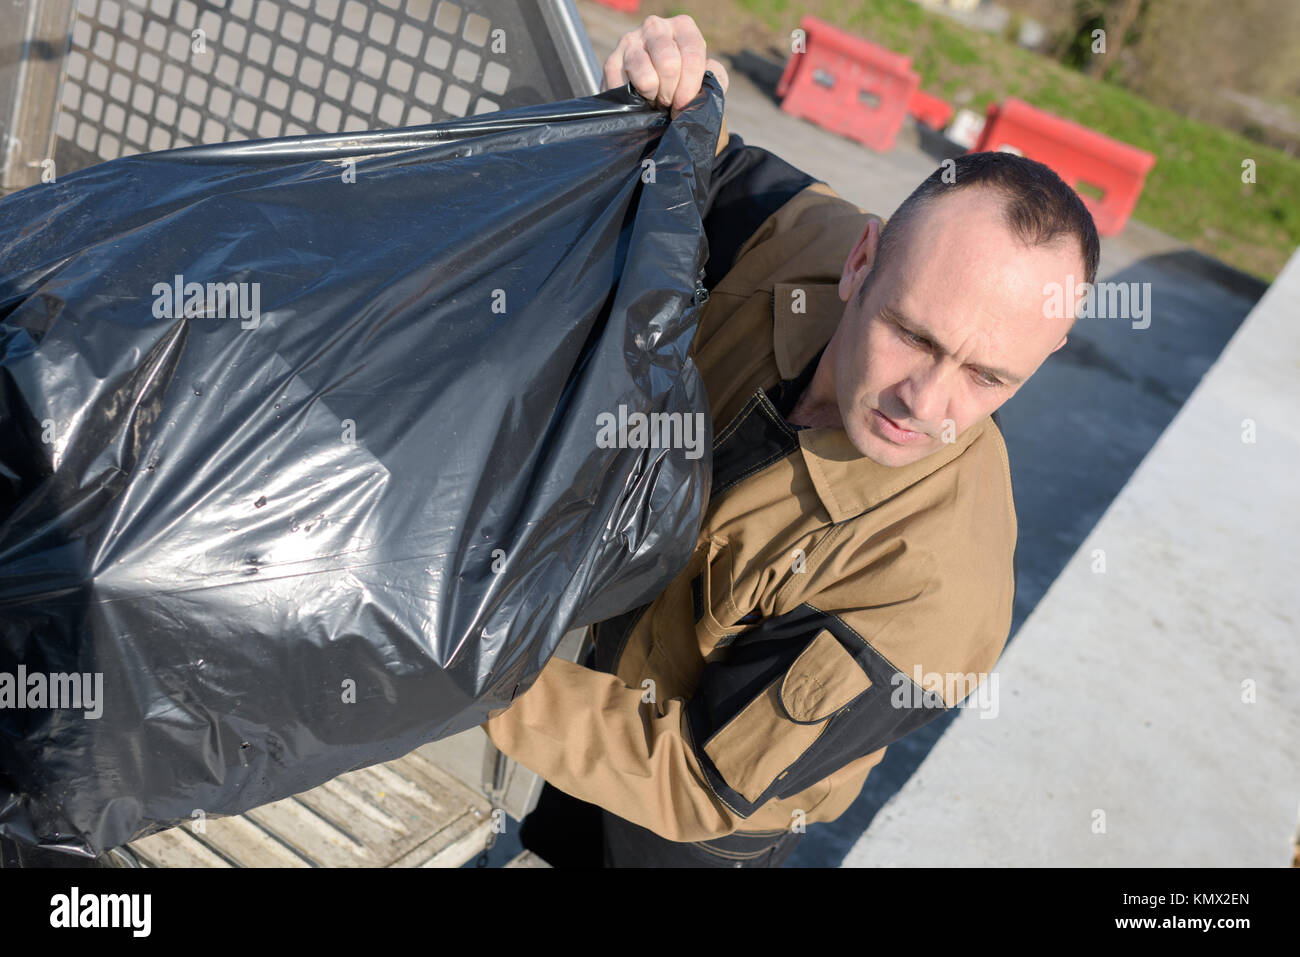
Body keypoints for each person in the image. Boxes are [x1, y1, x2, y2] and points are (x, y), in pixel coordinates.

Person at [483, 13, 1098, 867]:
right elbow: (688, 164)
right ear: (860, 262)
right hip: (606, 666)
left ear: (1043, 357)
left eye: (988, 378)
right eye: (912, 335)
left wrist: (452, 666)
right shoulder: (800, 243)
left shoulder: (935, 590)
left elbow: (698, 777)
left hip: (693, 824)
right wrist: (663, 81)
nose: (925, 401)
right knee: (553, 836)